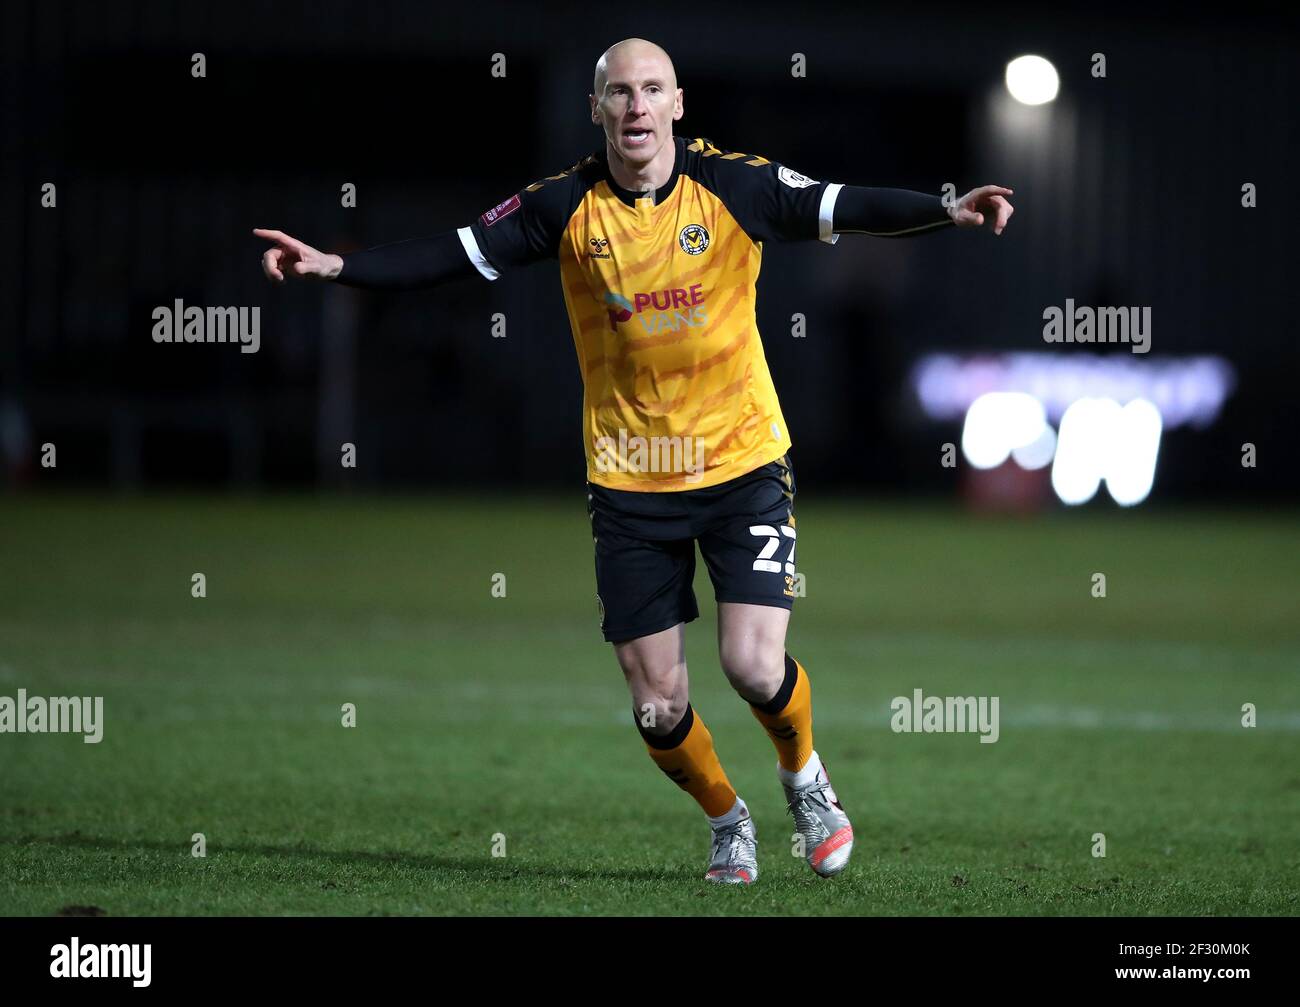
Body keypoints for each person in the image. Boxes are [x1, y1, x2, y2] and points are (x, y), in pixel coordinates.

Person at [255, 37, 1013, 885]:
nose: (637, 107)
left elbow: (845, 203)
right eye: (620, 93)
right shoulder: (562, 205)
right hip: (629, 478)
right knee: (658, 703)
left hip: (740, 460)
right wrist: (336, 266)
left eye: (653, 90)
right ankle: (728, 819)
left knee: (753, 664)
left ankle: (805, 780)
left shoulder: (736, 186)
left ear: (678, 104)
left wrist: (946, 208)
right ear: (598, 109)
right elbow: (454, 252)